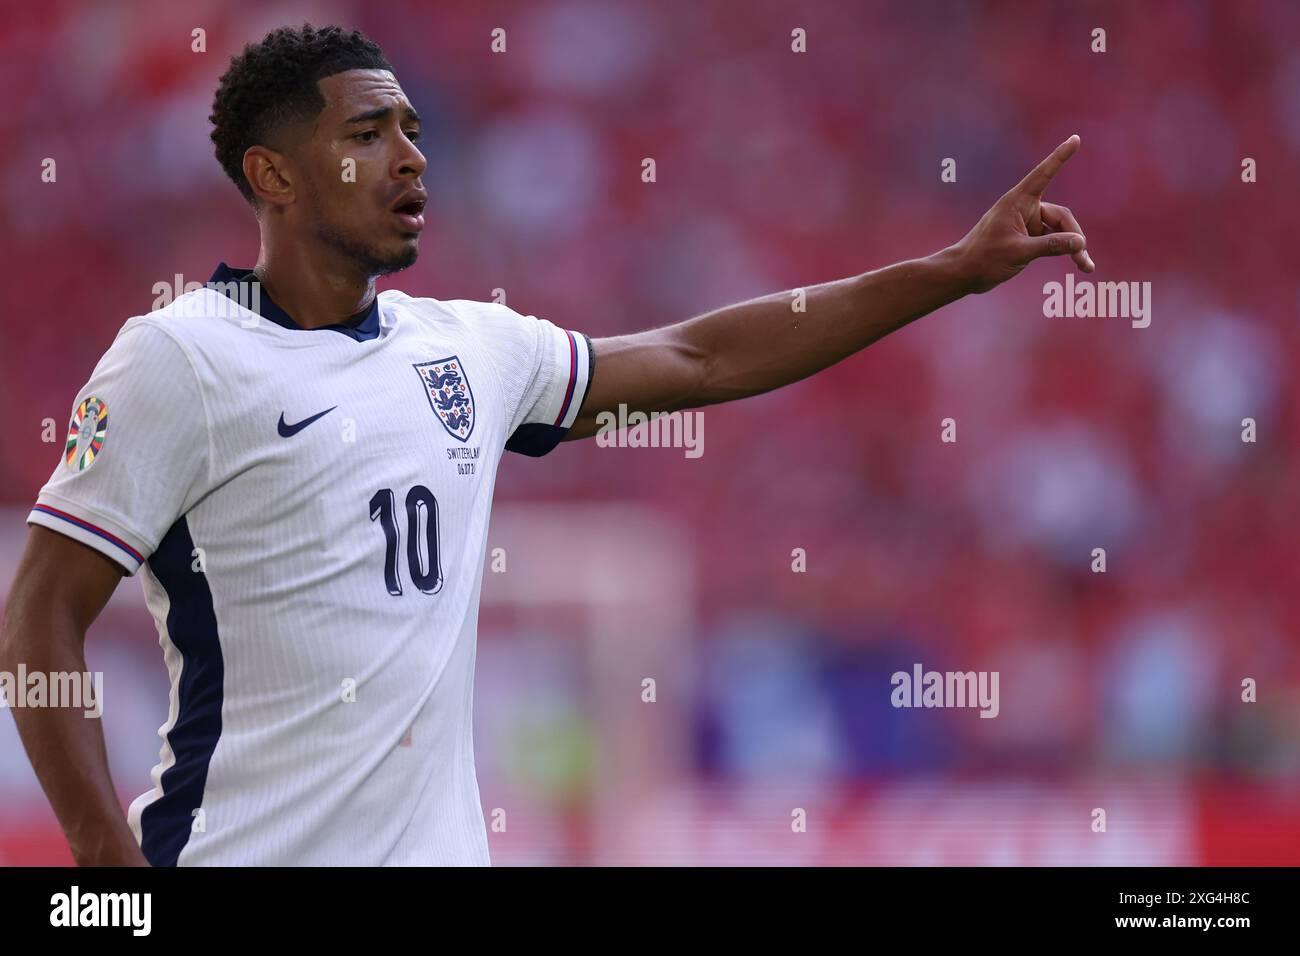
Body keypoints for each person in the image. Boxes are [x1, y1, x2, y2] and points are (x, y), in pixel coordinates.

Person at [0, 23, 1092, 866]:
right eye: (366, 133)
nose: (411, 158)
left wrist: (948, 271)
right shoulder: (180, 359)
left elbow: (700, 358)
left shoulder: (473, 349)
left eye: (415, 130)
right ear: (274, 176)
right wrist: (107, 869)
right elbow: (40, 616)